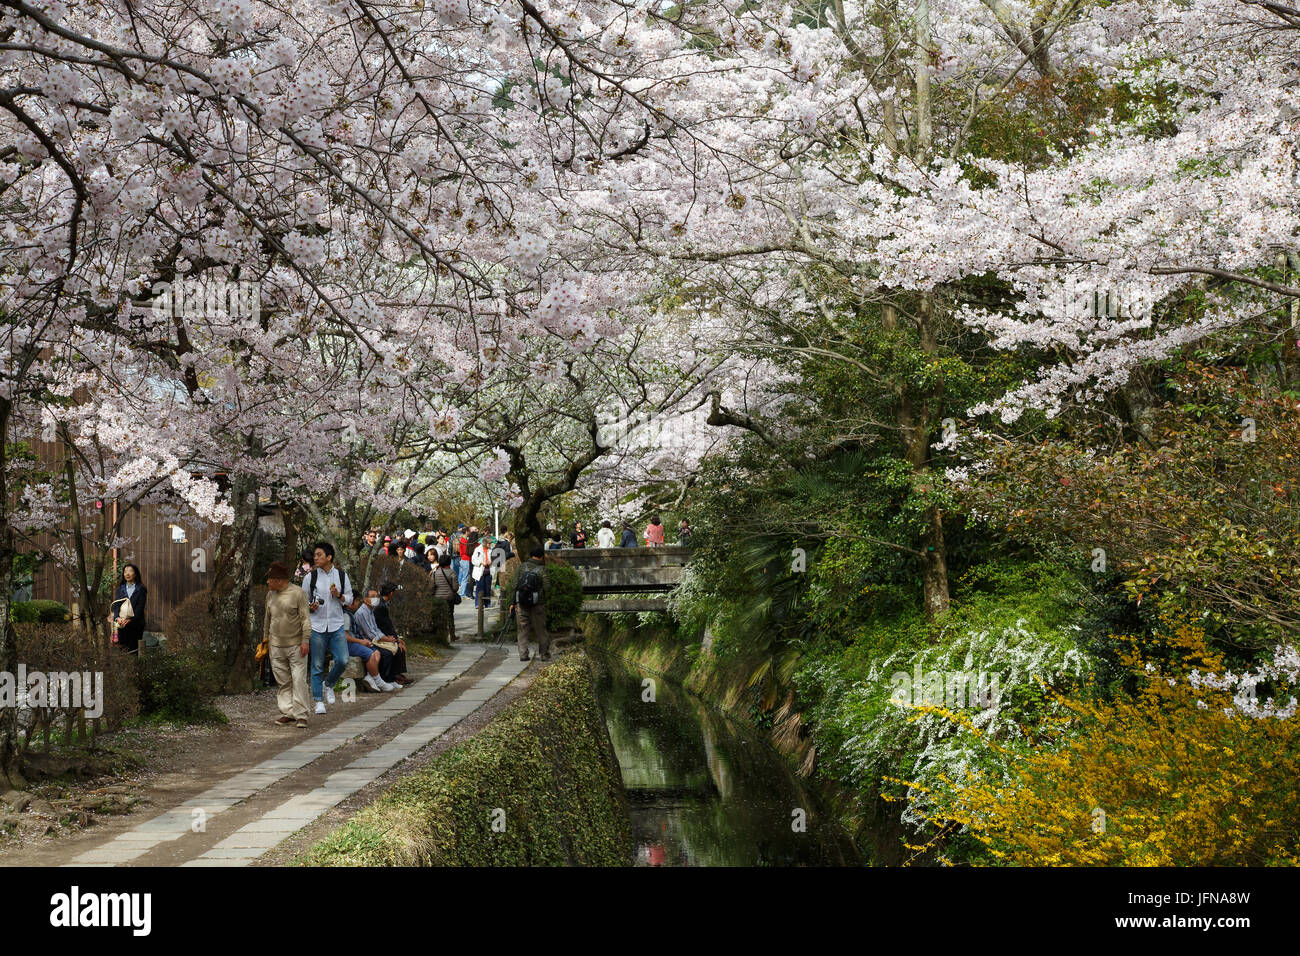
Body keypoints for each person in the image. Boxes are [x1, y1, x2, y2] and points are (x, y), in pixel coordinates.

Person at [303, 541, 354, 714]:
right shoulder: (310, 577)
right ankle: (318, 701)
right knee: (317, 665)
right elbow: (303, 601)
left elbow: (350, 599)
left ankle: (329, 684)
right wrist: (311, 606)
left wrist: (339, 595)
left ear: (329, 557)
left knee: (343, 660)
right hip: (317, 626)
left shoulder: (341, 576)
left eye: (319, 555)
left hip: (336, 624)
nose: (315, 558)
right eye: (315, 555)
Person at [263, 561, 312, 728]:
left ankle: (301, 715)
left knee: (298, 680)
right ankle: (288, 712)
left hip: (296, 644)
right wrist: (265, 641)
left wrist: (305, 640)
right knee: (283, 681)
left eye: (269, 579)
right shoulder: (270, 595)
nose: (267, 582)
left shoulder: (298, 593)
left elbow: (305, 619)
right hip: (275, 645)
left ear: (278, 580)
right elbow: (267, 620)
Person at [343, 595, 402, 692]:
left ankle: (370, 677)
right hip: (350, 644)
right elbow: (345, 636)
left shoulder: (351, 614)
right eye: (357, 600)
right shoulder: (346, 615)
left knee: (377, 652)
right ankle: (379, 681)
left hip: (359, 641)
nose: (358, 603)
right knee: (372, 654)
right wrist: (361, 641)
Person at [353, 588, 409, 685]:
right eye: (373, 597)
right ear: (365, 599)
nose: (376, 599)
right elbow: (370, 633)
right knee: (387, 653)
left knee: (396, 648)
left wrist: (389, 639)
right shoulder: (362, 612)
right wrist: (387, 639)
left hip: (376, 639)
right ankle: (385, 679)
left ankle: (393, 678)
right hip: (369, 641)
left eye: (377, 596)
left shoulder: (370, 611)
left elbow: (376, 629)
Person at [509, 547, 550, 662]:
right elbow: (547, 587)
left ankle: (523, 654)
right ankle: (544, 654)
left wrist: (512, 603)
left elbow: (514, 585)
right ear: (541, 556)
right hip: (538, 604)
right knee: (541, 629)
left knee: (522, 629)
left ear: (531, 555)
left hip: (521, 603)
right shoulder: (542, 569)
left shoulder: (522, 567)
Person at [109, 563, 147, 654]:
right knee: (123, 649)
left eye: (130, 571)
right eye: (125, 572)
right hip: (122, 624)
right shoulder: (120, 589)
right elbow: (117, 605)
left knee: (134, 650)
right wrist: (117, 618)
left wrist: (130, 620)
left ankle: (135, 667)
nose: (127, 574)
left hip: (136, 624)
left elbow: (140, 607)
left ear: (135, 574)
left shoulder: (141, 589)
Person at [430, 553, 460, 643]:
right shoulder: (452, 572)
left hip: (438, 598)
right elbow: (455, 588)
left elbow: (431, 586)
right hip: (449, 598)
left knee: (439, 617)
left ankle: (441, 637)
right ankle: (452, 635)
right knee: (450, 616)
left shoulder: (435, 573)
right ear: (449, 563)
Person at [471, 535, 494, 609]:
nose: (490, 545)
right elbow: (473, 560)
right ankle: (478, 603)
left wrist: (491, 561)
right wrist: (481, 562)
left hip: (488, 571)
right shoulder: (478, 549)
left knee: (487, 588)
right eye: (489, 544)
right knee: (480, 588)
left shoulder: (490, 550)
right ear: (485, 543)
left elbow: (494, 558)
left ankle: (487, 603)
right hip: (480, 572)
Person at [457, 528, 474, 597]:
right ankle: (462, 594)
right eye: (469, 531)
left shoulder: (463, 539)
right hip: (465, 559)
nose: (470, 533)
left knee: (464, 577)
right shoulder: (463, 540)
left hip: (464, 559)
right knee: (465, 577)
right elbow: (465, 551)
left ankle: (462, 593)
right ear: (466, 532)